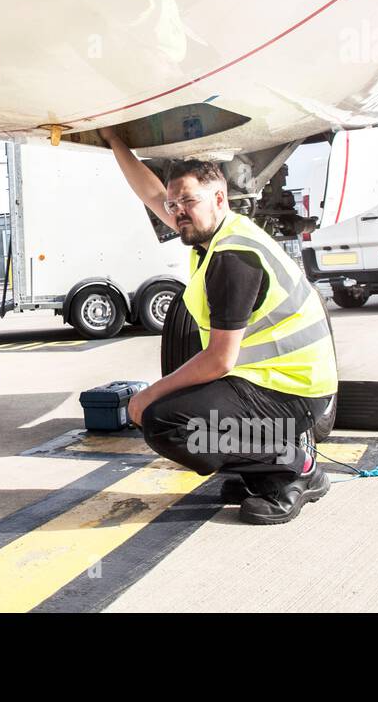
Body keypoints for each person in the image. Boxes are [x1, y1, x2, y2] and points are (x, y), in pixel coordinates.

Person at [100, 125, 338, 525]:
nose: (177, 212)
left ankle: (295, 466)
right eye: (175, 205)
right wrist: (115, 142)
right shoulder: (214, 232)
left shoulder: (232, 257)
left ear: (218, 197)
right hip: (270, 381)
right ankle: (259, 474)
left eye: (187, 202)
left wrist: (146, 397)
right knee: (186, 409)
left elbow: (219, 361)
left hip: (292, 393)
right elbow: (151, 193)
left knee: (165, 420)